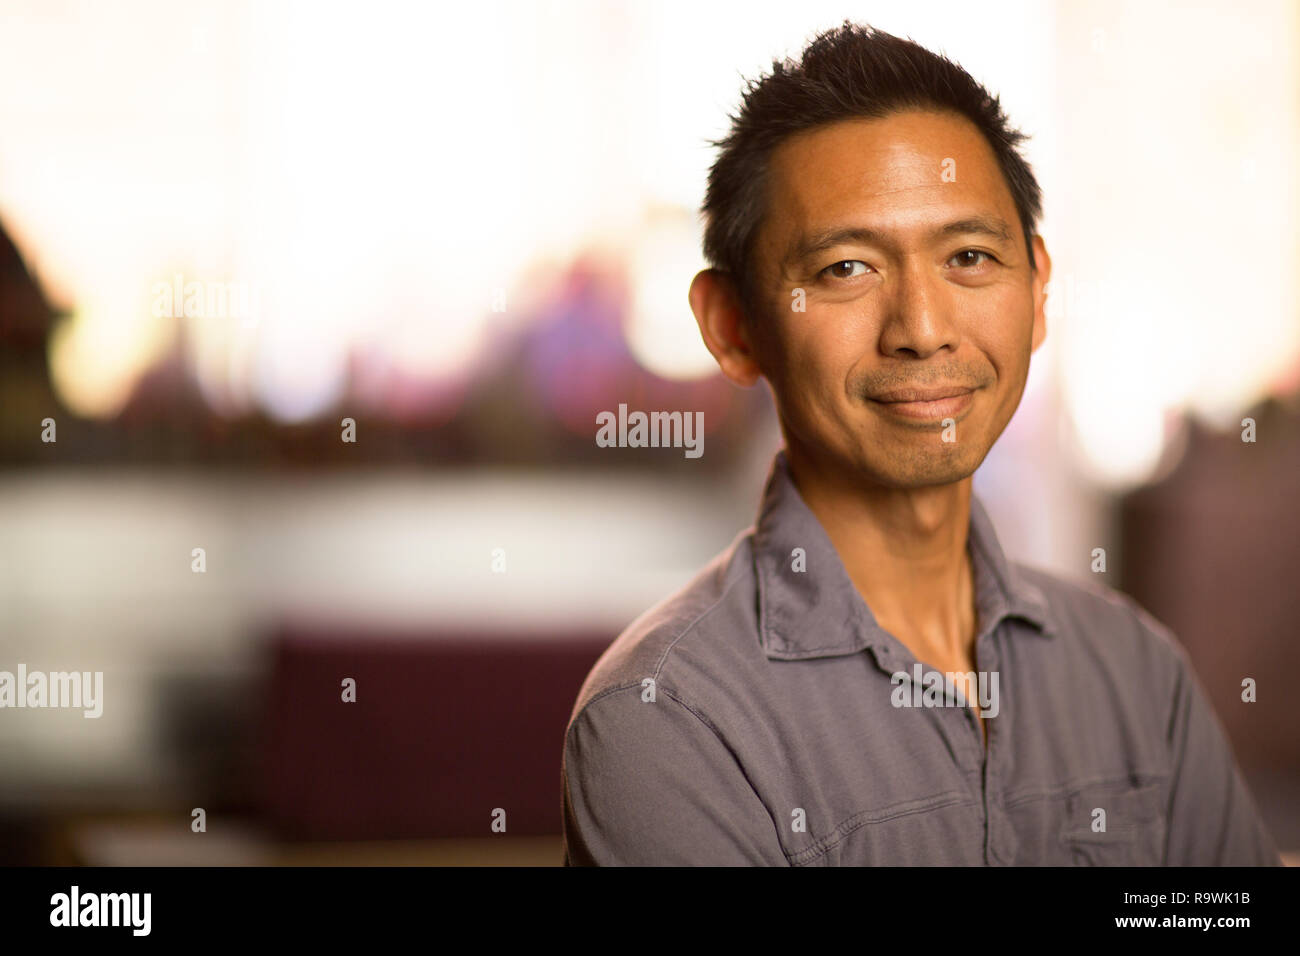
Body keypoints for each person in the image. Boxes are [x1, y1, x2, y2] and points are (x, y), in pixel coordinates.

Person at [561, 21, 1281, 865]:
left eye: (970, 256)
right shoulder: (670, 719)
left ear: (1038, 290)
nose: (924, 329)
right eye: (846, 269)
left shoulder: (1132, 671)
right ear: (732, 325)